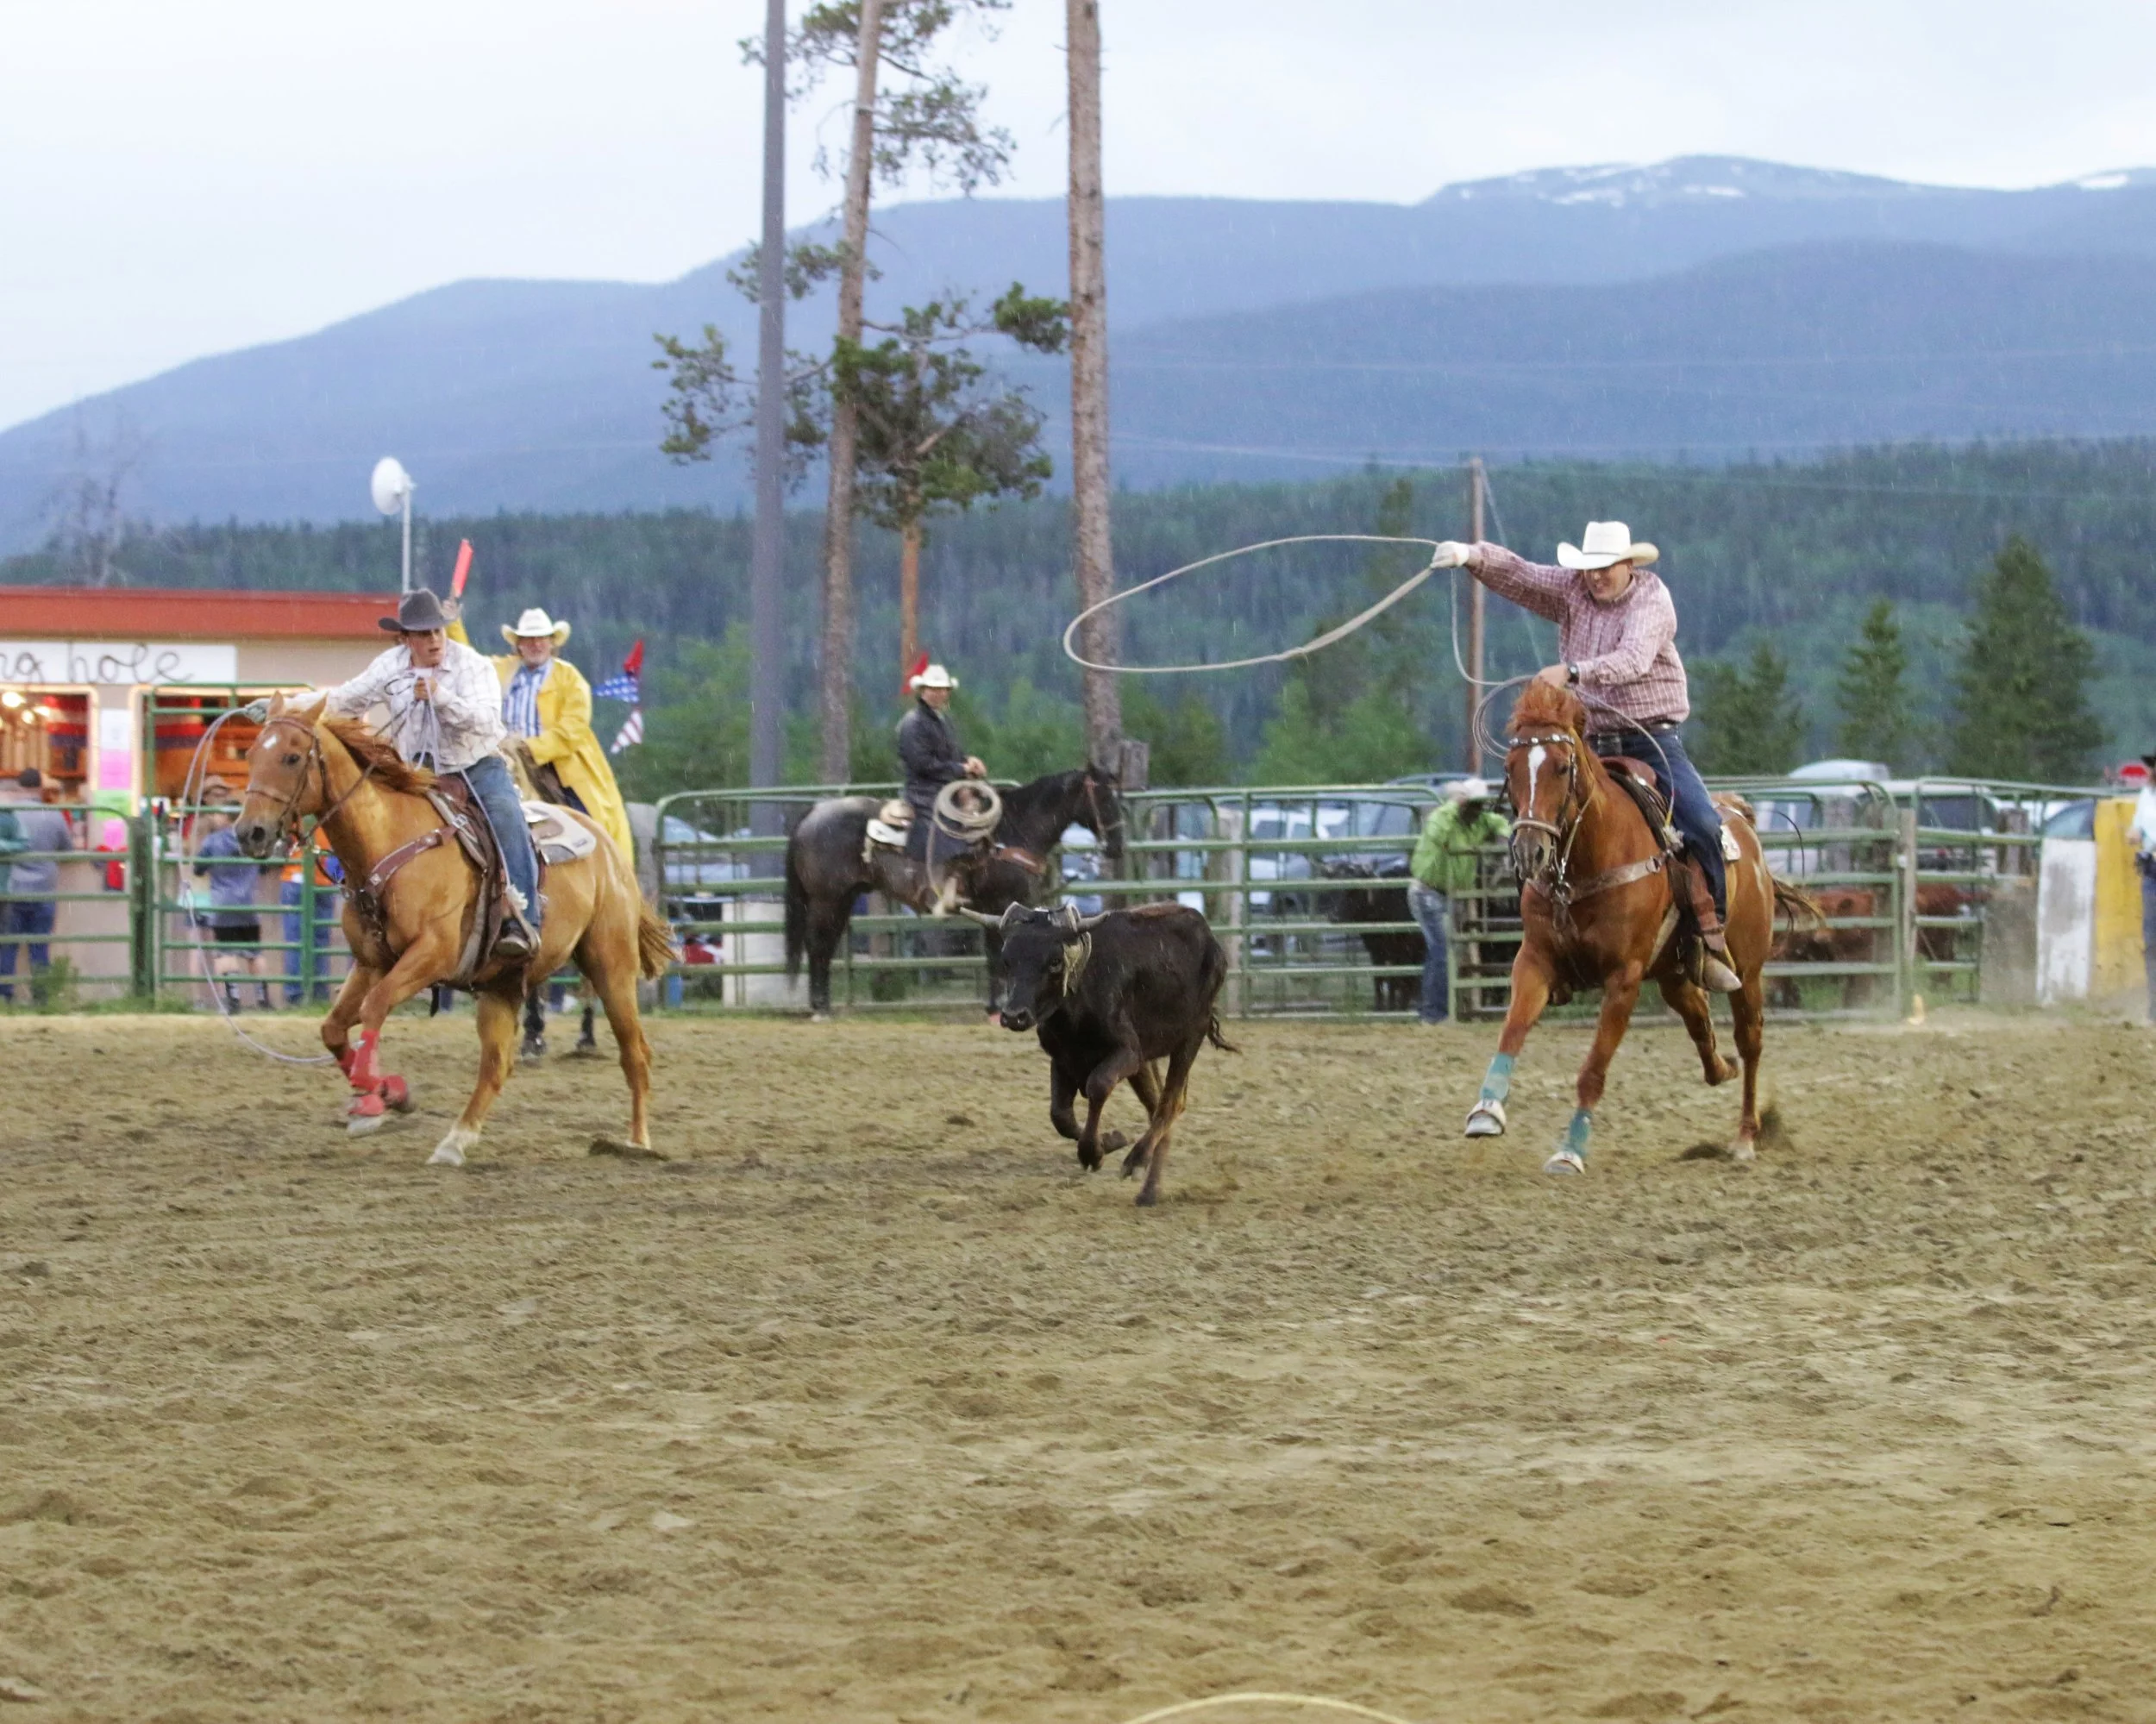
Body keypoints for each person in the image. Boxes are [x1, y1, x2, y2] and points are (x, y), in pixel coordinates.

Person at [1432, 520, 1741, 993]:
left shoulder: (1651, 600)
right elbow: (1522, 576)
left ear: (1627, 565)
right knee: (1538, 823)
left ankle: (1708, 937)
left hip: (1650, 738)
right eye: (1591, 568)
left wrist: (1572, 671)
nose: (1596, 576)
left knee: (1701, 823)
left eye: (1606, 568)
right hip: (1588, 740)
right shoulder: (1572, 590)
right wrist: (1471, 555)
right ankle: (1549, 942)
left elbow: (1634, 659)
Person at [323, 586, 541, 959]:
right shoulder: (390, 666)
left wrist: (442, 697)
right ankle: (373, 909)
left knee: (506, 816)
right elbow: (345, 699)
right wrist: (286, 707)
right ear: (405, 638)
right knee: (370, 819)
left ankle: (522, 919)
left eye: (438, 630)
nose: (434, 639)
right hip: (415, 768)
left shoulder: (472, 665)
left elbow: (487, 721)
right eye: (423, 633)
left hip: (476, 763)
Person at [1407, 777, 1511, 1025]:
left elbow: (1501, 823)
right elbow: (1436, 832)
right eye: (1472, 805)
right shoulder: (1444, 818)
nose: (1476, 810)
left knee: (1445, 951)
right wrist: (1455, 806)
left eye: (1480, 805)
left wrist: (1501, 838)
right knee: (1441, 950)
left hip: (1447, 894)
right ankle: (1433, 1013)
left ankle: (1436, 1010)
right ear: (1462, 804)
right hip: (1427, 891)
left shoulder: (1480, 821)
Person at [896, 661, 989, 912]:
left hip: (944, 788)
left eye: (942, 689)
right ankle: (939, 886)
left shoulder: (942, 721)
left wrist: (969, 762)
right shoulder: (913, 723)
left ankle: (960, 881)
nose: (938, 693)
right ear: (923, 691)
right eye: (933, 688)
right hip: (923, 791)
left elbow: (952, 755)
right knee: (945, 826)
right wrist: (961, 770)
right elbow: (922, 764)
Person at [0, 768, 76, 1005]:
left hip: (12, 888)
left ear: (19, 788)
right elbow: (67, 849)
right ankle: (42, 997)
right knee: (40, 946)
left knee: (8, 946)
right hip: (44, 888)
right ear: (41, 787)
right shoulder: (52, 815)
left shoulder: (8, 815)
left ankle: (5, 997)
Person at [193, 792, 272, 1010]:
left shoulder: (213, 841)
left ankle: (232, 999)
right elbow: (264, 866)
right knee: (255, 953)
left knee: (225, 952)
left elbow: (198, 868)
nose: (216, 818)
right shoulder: (253, 840)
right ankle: (263, 999)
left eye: (219, 814)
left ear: (225, 817)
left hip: (222, 904)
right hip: (247, 902)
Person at [2127, 750, 2156, 1019]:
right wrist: (2134, 834)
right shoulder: (2147, 796)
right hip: (2153, 871)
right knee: (2152, 941)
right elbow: (2136, 828)